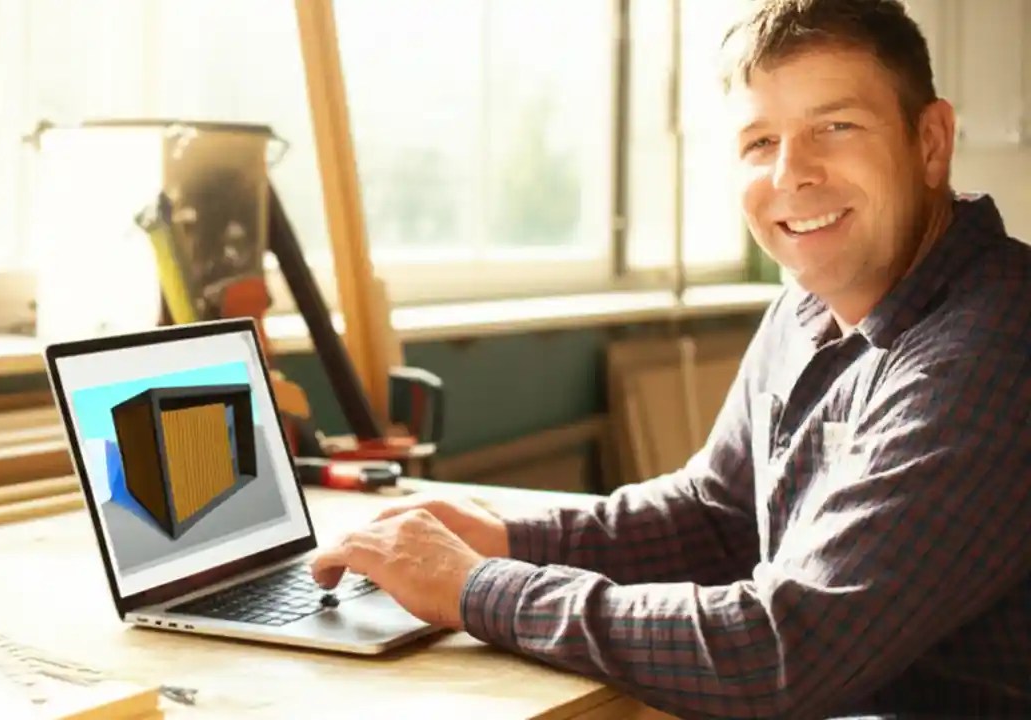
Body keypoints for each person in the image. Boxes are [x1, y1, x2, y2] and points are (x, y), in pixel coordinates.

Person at [310, 0, 1031, 716]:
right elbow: (715, 515)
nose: (791, 173)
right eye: (759, 142)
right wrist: (505, 538)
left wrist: (477, 587)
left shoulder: (995, 345)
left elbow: (783, 653)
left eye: (835, 126)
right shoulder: (811, 301)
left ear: (931, 141)